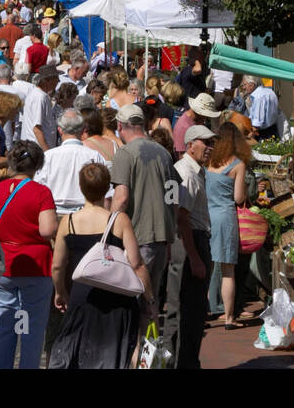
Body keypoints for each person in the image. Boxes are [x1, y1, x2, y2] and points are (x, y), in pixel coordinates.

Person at [47, 163, 154, 369]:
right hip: (118, 299)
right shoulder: (119, 220)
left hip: (82, 297)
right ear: (107, 188)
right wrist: (149, 299)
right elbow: (137, 264)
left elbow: (58, 266)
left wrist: (60, 292)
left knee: (78, 356)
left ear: (81, 187)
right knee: (117, 355)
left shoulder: (68, 222)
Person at [0, 140, 59, 368]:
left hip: (2, 263)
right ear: (37, 165)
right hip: (34, 265)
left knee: (3, 325)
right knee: (32, 328)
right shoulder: (41, 192)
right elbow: (47, 230)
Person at [109, 103, 177, 345]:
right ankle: (148, 352)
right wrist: (170, 232)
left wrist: (109, 231)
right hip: (161, 236)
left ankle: (136, 353)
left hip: (137, 238)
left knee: (133, 300)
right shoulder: (163, 153)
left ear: (120, 126)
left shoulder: (125, 154)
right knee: (152, 299)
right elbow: (173, 196)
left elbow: (121, 197)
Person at [165, 125, 213, 368]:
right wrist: (194, 257)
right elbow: (181, 218)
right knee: (190, 310)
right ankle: (183, 362)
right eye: (205, 142)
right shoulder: (187, 172)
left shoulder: (191, 170)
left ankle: (180, 360)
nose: (209, 147)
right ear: (191, 144)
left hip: (190, 239)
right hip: (190, 240)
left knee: (184, 308)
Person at [205, 120, 248, 328]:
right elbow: (239, 198)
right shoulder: (237, 165)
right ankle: (229, 317)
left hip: (206, 215)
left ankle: (203, 311)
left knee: (208, 267)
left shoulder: (209, 161)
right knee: (228, 270)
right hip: (225, 216)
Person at [35, 109, 107, 215]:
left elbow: (38, 186)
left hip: (54, 213)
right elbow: (105, 189)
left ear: (60, 130)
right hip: (84, 214)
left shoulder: (48, 156)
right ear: (83, 130)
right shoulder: (94, 156)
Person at [22, 69, 61, 150]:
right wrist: (46, 151)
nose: (59, 81)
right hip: (38, 149)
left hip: (37, 148)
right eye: (56, 78)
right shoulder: (39, 97)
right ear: (48, 80)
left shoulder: (39, 95)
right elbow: (36, 128)